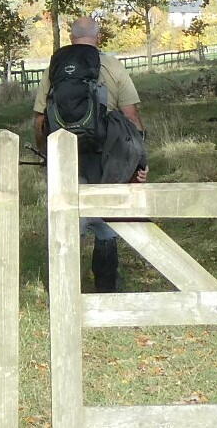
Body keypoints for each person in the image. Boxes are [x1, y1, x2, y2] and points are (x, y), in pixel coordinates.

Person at [33, 16, 147, 293]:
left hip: (65, 154)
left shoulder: (55, 67)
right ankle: (106, 287)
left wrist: (45, 153)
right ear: (98, 37)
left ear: (71, 38)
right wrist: (140, 161)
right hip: (106, 154)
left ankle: (60, 289)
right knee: (106, 221)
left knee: (67, 221)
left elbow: (38, 119)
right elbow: (131, 117)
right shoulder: (112, 65)